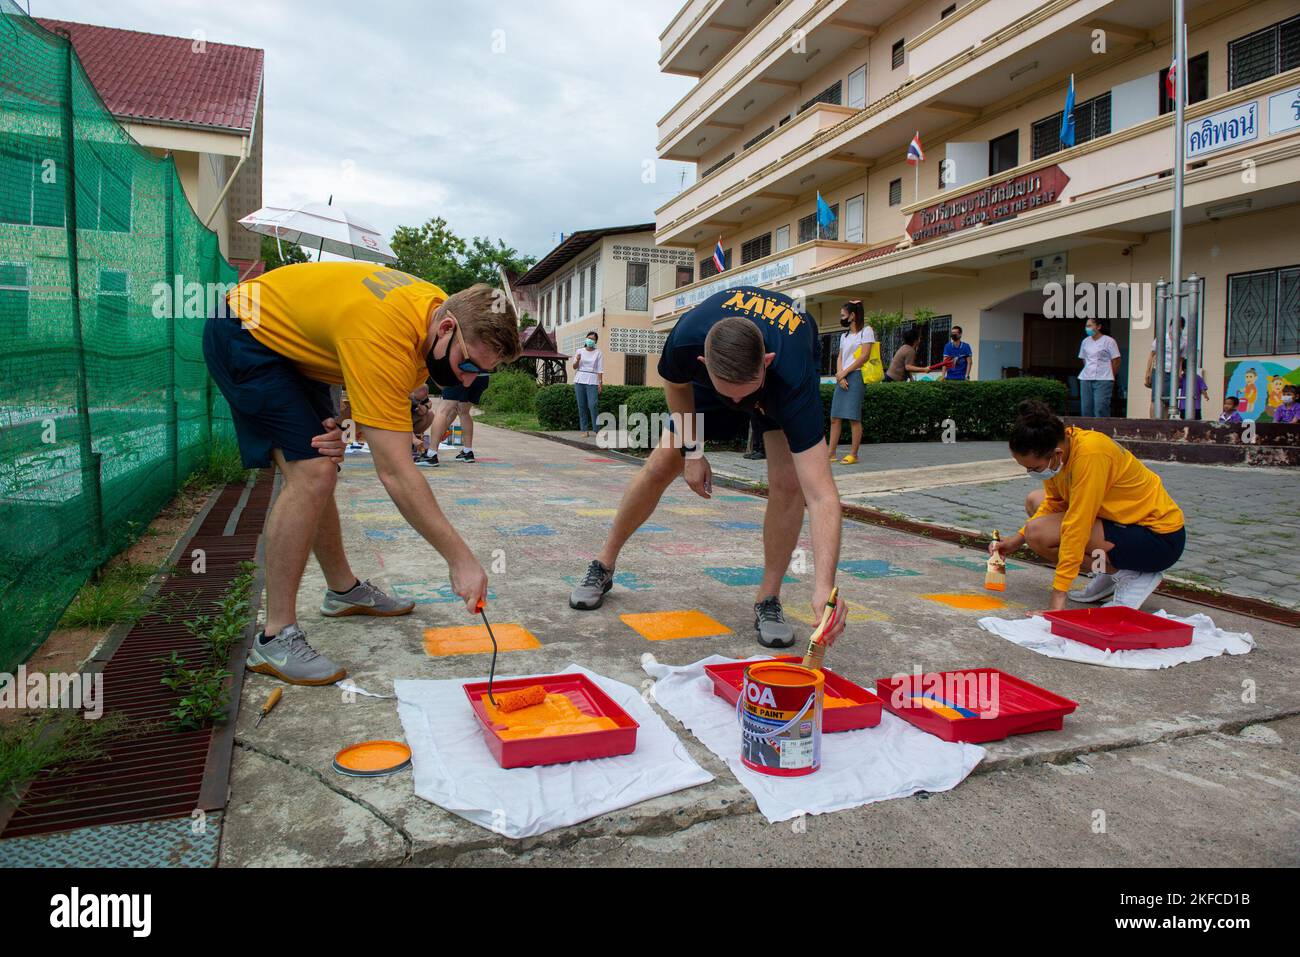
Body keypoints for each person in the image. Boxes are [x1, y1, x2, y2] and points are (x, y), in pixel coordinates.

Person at [204, 262, 521, 685]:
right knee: (313, 472)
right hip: (246, 332)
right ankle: (274, 636)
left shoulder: (432, 311)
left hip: (299, 352)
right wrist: (460, 560)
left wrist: (405, 411)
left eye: (481, 373)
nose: (468, 379)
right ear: (446, 329)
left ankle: (342, 591)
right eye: (469, 365)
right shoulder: (382, 331)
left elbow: (379, 381)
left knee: (321, 469)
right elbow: (395, 472)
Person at [567, 286, 848, 650]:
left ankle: (768, 598)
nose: (737, 403)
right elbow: (675, 384)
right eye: (728, 393)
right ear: (702, 363)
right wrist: (693, 451)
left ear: (767, 362)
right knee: (661, 464)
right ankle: (602, 565)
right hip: (721, 380)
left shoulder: (792, 374)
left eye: (744, 394)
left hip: (776, 387)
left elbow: (822, 495)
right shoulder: (686, 339)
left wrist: (824, 585)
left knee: (789, 484)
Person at [988, 400, 1186, 610]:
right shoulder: (1061, 449)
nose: (1032, 473)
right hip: (1122, 525)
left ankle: (1129, 574)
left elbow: (1077, 526)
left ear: (1056, 454)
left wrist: (1058, 596)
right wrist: (1016, 541)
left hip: (1158, 540)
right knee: (1035, 500)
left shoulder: (1091, 455)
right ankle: (1110, 571)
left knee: (1038, 534)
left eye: (1034, 467)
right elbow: (1054, 503)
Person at [827, 300, 873, 466]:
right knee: (835, 417)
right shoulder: (843, 336)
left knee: (853, 417)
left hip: (857, 376)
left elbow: (864, 356)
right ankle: (830, 453)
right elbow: (840, 357)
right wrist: (840, 376)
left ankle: (854, 454)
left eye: (843, 315)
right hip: (843, 377)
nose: (841, 318)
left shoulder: (866, 331)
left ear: (853, 315)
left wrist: (845, 373)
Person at [426, 373, 489, 466]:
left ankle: (431, 454)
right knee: (463, 411)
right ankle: (468, 452)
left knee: (443, 410)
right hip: (482, 376)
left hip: (460, 374)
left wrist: (445, 387)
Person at [1077, 318, 1121, 417]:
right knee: (1086, 408)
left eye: (1090, 326)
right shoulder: (1085, 341)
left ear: (1098, 327)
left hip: (1103, 378)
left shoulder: (1109, 341)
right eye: (1086, 326)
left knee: (1101, 408)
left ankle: (1101, 430)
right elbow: (1084, 359)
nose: (1087, 328)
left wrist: (1111, 376)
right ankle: (1087, 431)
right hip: (1086, 378)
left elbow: (1116, 360)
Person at [1144, 316, 1187, 416]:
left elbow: (1181, 359)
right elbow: (1152, 355)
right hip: (1158, 370)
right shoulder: (1162, 338)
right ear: (1170, 326)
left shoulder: (1183, 342)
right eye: (1174, 326)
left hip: (1173, 373)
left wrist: (1179, 372)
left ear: (1182, 328)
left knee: (1169, 401)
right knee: (1155, 399)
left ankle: (1165, 423)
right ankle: (1152, 423)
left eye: (1179, 326)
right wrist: (1147, 372)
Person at [573, 331, 604, 437]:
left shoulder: (598, 352)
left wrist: (600, 383)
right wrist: (577, 360)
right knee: (581, 406)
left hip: (592, 379)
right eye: (589, 338)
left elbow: (600, 369)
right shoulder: (579, 351)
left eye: (593, 339)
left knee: (593, 404)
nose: (590, 340)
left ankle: (597, 429)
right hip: (579, 379)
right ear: (586, 339)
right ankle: (584, 429)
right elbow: (574, 367)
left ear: (595, 341)